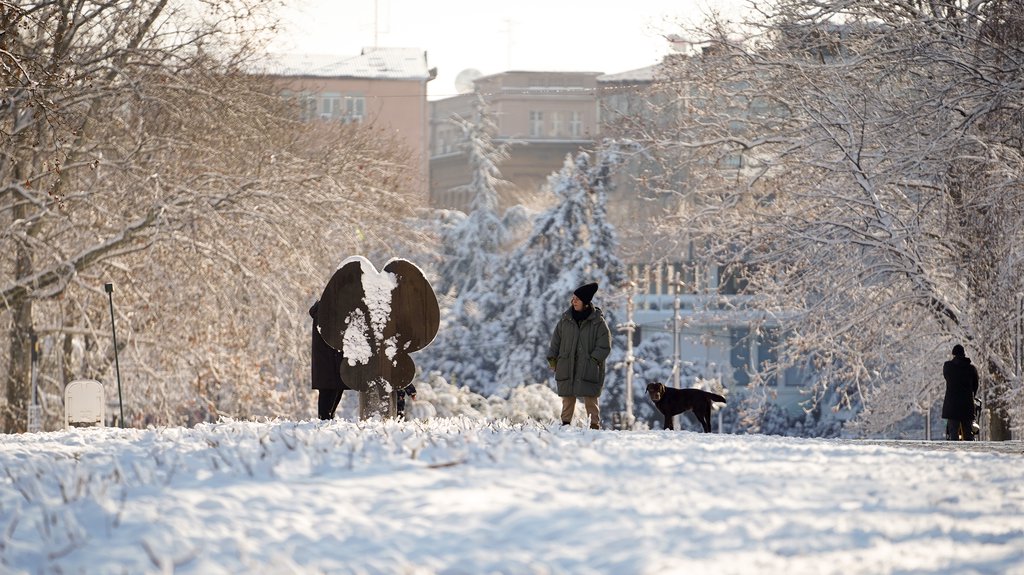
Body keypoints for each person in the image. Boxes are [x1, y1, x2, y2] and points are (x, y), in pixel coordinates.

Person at [546, 282, 612, 429]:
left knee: (590, 398)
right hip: (567, 364)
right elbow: (555, 341)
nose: (573, 301)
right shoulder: (565, 320)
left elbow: (604, 345)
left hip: (589, 366)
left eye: (577, 299)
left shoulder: (598, 323)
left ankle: (594, 425)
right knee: (568, 397)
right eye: (573, 298)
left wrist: (593, 360)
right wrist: (553, 360)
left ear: (585, 302)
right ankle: (565, 424)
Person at [310, 300, 349, 420]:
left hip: (330, 365)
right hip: (331, 364)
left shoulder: (325, 311)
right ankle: (324, 429)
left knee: (328, 407)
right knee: (326, 411)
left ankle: (325, 426)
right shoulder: (327, 313)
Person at [942, 343, 980, 440]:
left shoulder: (948, 366)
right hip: (967, 404)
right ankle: (970, 452)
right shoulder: (972, 369)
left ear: (953, 354)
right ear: (964, 354)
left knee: (953, 431)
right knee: (968, 432)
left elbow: (946, 377)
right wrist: (972, 395)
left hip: (952, 404)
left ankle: (953, 453)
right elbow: (975, 386)